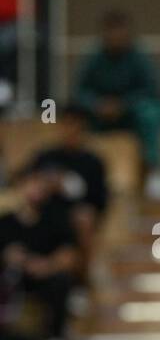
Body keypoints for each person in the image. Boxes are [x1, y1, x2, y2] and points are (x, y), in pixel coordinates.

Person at [72, 10, 160, 199]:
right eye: (112, 32)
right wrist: (97, 104)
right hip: (99, 116)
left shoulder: (139, 56)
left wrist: (123, 104)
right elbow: (79, 91)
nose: (116, 37)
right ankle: (78, 168)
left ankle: (155, 170)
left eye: (120, 32)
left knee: (150, 112)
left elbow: (152, 90)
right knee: (73, 115)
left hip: (130, 115)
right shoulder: (93, 57)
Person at [0, 164, 78, 339]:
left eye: (39, 183)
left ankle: (55, 338)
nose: (35, 188)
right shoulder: (5, 223)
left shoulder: (56, 219)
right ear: (19, 186)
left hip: (44, 277)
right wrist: (8, 257)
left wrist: (47, 266)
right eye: (30, 183)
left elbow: (69, 254)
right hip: (12, 281)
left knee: (61, 281)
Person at [31, 103, 109, 260]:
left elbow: (100, 199)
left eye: (75, 124)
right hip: (46, 211)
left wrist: (70, 188)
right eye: (66, 124)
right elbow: (26, 181)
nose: (70, 130)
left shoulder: (93, 161)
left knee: (84, 218)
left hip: (75, 217)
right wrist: (46, 185)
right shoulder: (45, 157)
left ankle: (83, 276)